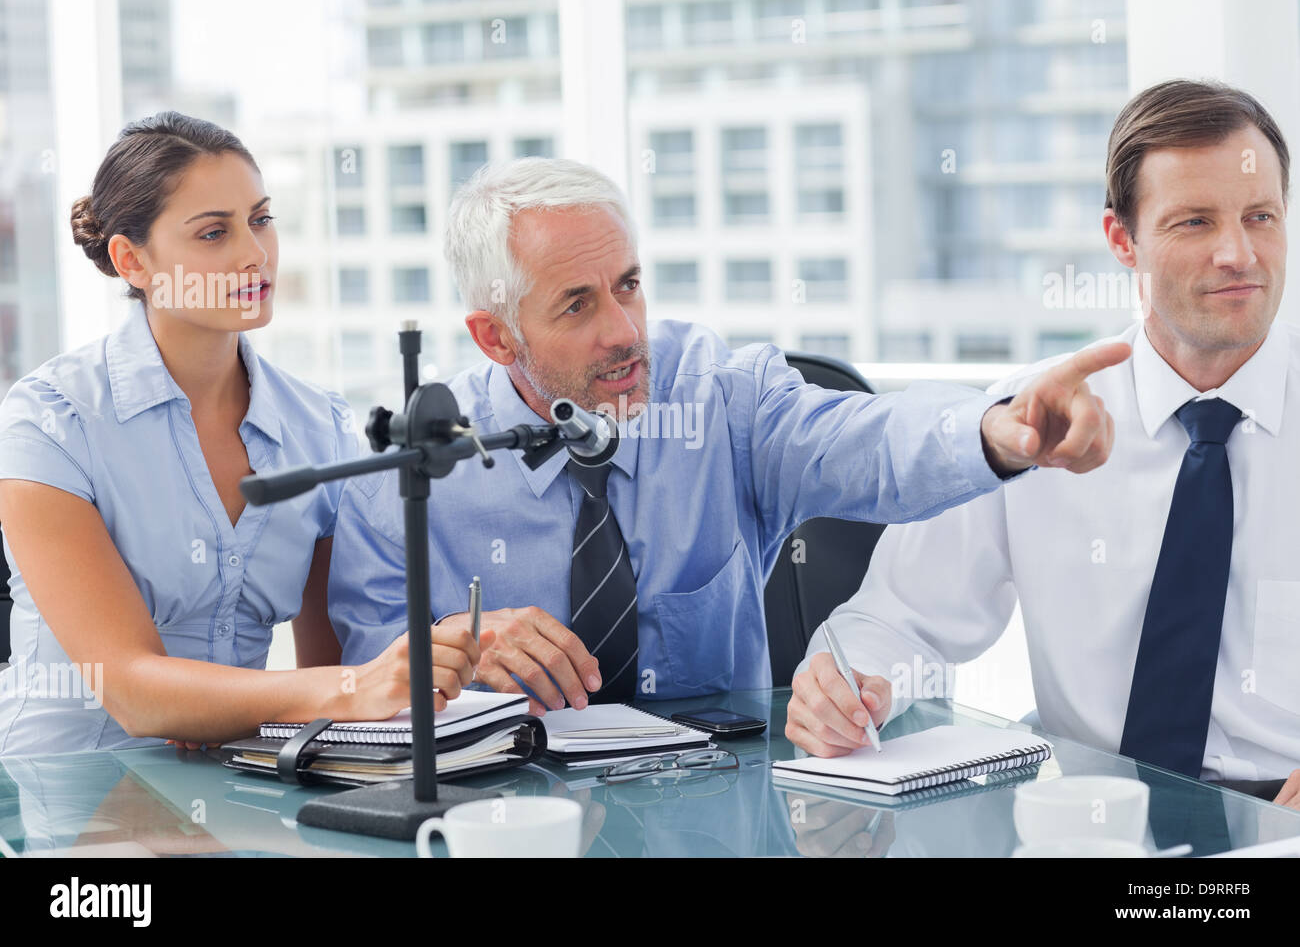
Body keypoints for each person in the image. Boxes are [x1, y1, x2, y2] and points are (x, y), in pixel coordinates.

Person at [328, 156, 1129, 715]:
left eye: (630, 286)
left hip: (716, 816)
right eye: (577, 305)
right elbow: (365, 672)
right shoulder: (413, 465)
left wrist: (996, 431)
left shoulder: (720, 397)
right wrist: (452, 646)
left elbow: (868, 440)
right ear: (496, 337)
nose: (623, 332)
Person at [787, 79, 1300, 813]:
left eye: (1261, 216)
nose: (1238, 253)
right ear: (1123, 240)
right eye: (1194, 222)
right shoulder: (1034, 420)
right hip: (1090, 817)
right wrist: (847, 686)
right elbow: (897, 618)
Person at [0, 112, 479, 755]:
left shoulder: (321, 428)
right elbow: (132, 690)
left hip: (235, 793)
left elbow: (336, 682)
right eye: (214, 232)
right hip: (64, 797)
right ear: (131, 260)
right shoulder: (48, 422)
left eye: (260, 219)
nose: (254, 254)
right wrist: (349, 688)